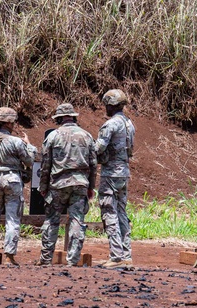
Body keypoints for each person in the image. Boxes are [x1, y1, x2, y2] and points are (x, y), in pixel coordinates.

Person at [0, 107, 37, 266]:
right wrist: (29, 145)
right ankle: (9, 257)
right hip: (13, 180)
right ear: (9, 123)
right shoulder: (17, 142)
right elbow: (30, 161)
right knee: (12, 219)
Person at [38, 103, 97, 266]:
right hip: (80, 184)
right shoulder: (87, 136)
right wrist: (91, 187)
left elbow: (45, 165)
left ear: (58, 119)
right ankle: (73, 260)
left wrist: (43, 187)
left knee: (51, 220)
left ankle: (46, 259)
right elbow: (93, 165)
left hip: (58, 184)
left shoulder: (53, 136)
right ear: (74, 117)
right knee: (77, 220)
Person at [95, 89, 136, 269]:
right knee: (121, 213)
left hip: (110, 174)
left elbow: (99, 148)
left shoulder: (110, 125)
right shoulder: (129, 124)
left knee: (108, 212)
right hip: (124, 173)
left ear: (110, 105)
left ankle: (116, 256)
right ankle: (126, 255)